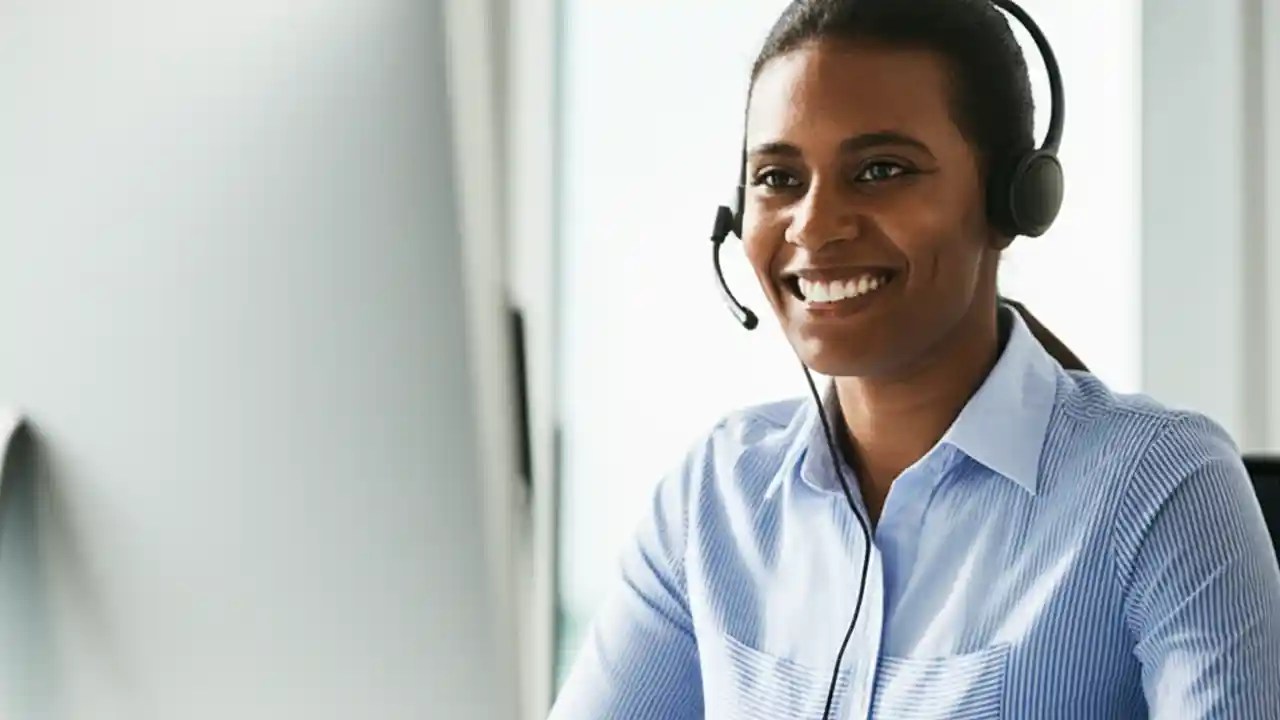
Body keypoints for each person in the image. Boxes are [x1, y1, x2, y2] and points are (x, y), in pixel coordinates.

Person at [548, 0, 1280, 717]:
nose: (817, 225)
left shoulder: (1160, 490)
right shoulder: (714, 500)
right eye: (778, 178)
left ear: (1010, 202)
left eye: (881, 170)